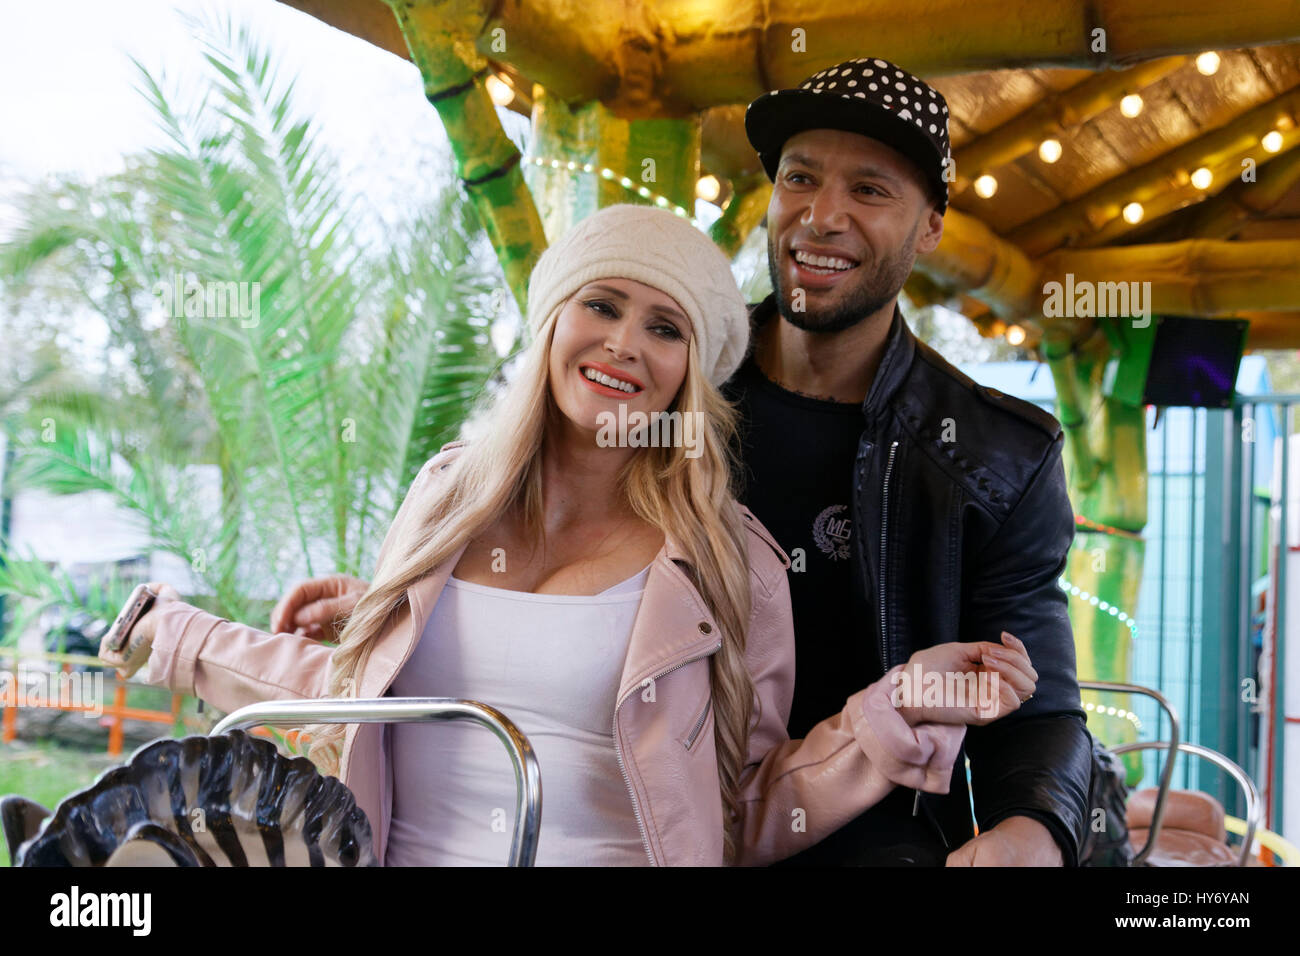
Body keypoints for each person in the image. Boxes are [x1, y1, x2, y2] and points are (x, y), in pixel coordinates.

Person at [100, 203, 1037, 867]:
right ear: (553, 322)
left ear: (690, 374)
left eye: (664, 328)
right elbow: (355, 706)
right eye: (602, 305)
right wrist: (177, 637)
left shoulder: (730, 560)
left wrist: (901, 707)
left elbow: (742, 808)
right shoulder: (446, 497)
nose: (624, 343)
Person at [721, 56, 1093, 866]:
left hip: (884, 846)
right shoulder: (677, 393)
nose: (821, 217)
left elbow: (1040, 715)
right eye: (799, 178)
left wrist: (1035, 831)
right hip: (667, 824)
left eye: (869, 190)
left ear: (930, 229)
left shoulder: (1000, 456)